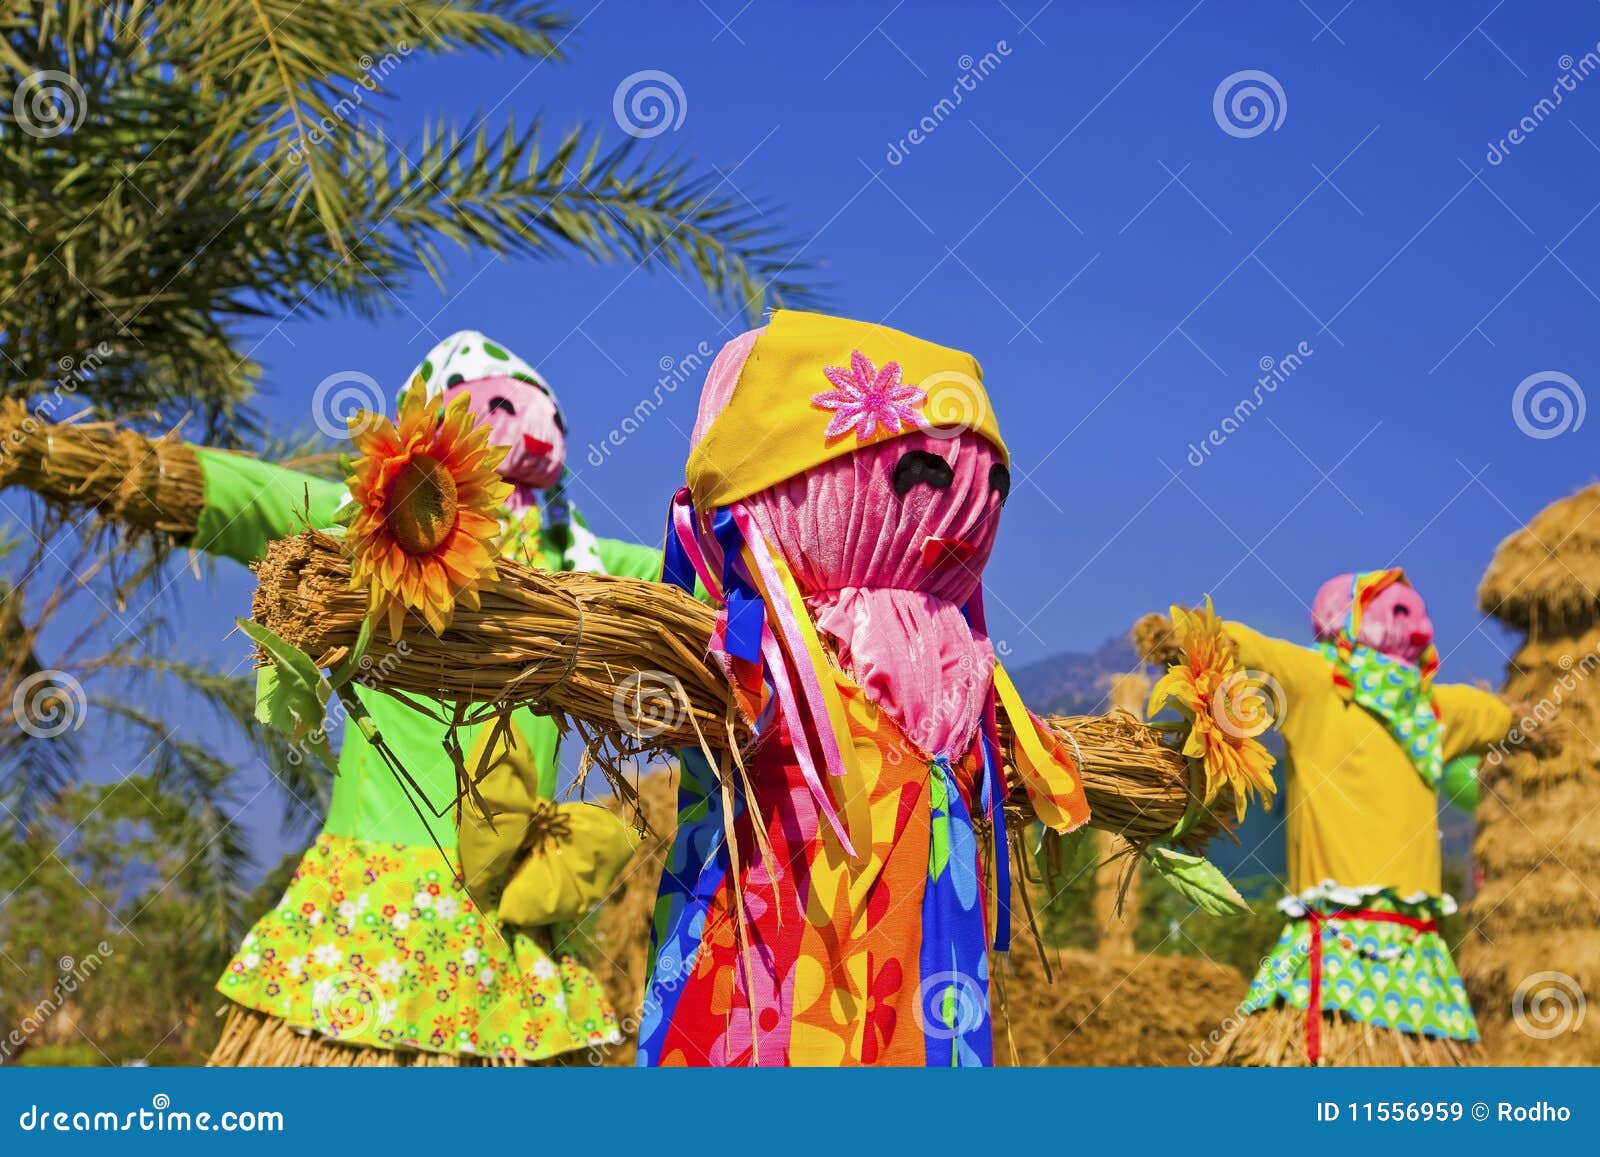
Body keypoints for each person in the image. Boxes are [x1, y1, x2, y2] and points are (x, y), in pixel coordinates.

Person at [637, 310, 1092, 1066]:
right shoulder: (757, 652)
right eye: (924, 477)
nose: (964, 514)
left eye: (985, 489)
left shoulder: (962, 672)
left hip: (919, 986)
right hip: (776, 984)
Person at [204, 331, 660, 1065]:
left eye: (548, 417)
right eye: (504, 406)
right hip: (378, 897)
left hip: (512, 912)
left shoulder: (579, 561)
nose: (532, 430)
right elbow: (252, 494)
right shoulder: (380, 516)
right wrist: (125, 469)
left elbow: (683, 571)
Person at [1171, 570, 1513, 1066]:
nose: (1417, 624)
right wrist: (1189, 635)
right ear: (1346, 620)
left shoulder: (1433, 712)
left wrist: (1528, 718)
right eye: (1398, 611)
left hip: (1420, 965)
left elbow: (1491, 715)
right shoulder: (1322, 687)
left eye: (1418, 611)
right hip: (1333, 955)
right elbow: (1255, 651)